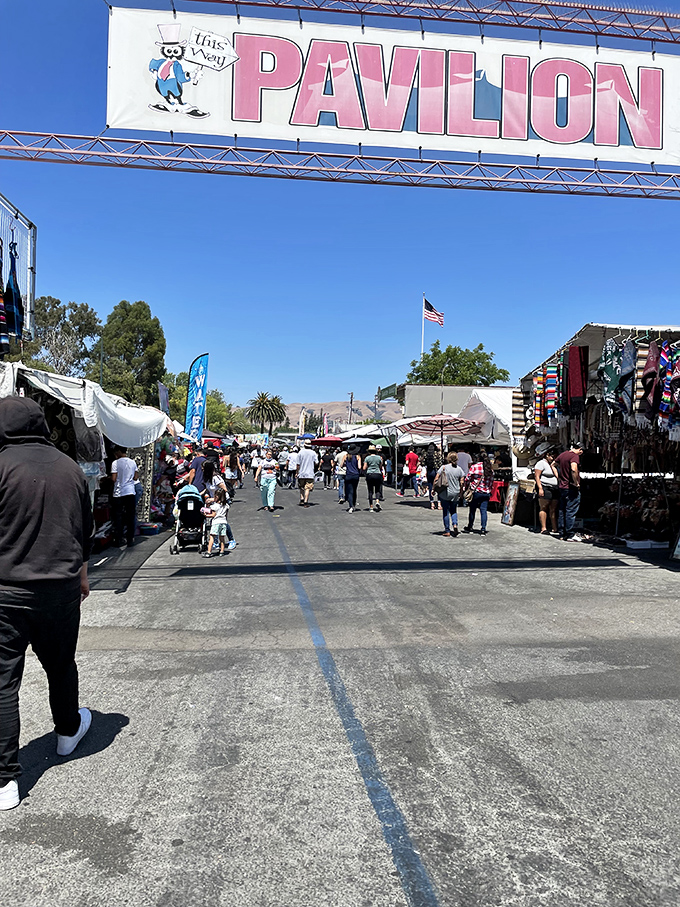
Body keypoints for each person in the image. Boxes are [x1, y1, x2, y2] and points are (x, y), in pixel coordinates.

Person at [0, 397, 93, 811]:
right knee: (60, 664)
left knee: (3, 681)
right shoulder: (70, 468)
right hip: (61, 589)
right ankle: (68, 731)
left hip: (6, 593)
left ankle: (5, 781)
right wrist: (83, 574)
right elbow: (81, 529)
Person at [554, 441, 584, 541]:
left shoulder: (563, 455)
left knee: (562, 510)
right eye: (581, 451)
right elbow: (574, 469)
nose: (581, 453)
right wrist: (576, 482)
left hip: (562, 487)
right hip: (570, 487)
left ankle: (562, 533)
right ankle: (570, 534)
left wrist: (559, 477)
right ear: (579, 449)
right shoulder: (574, 456)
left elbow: (553, 465)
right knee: (570, 510)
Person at [111, 446, 139, 548]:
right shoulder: (132, 462)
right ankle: (130, 539)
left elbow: (114, 478)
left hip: (119, 493)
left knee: (118, 516)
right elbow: (136, 477)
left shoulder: (115, 463)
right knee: (130, 516)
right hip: (130, 491)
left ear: (118, 452)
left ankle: (119, 539)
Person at [462, 451, 494, 535]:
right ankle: (483, 529)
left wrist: (466, 487)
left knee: (472, 510)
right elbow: (491, 481)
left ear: (478, 458)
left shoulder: (474, 467)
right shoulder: (489, 468)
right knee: (483, 511)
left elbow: (467, 478)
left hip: (476, 492)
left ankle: (470, 526)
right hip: (486, 492)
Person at [436, 452, 465, 536]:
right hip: (455, 492)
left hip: (445, 492)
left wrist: (433, 489)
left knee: (445, 511)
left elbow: (436, 479)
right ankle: (455, 524)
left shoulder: (443, 468)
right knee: (453, 510)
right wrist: (461, 492)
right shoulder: (459, 469)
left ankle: (447, 530)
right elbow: (462, 482)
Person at [202, 486, 236, 557]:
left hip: (216, 523)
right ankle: (222, 551)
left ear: (216, 497)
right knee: (222, 538)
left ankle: (208, 552)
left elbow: (213, 515)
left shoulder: (215, 506)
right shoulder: (226, 506)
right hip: (223, 522)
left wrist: (206, 515)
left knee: (212, 537)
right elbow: (226, 515)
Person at [534, 450, 559, 535]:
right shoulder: (541, 463)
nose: (553, 458)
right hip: (545, 486)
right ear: (547, 455)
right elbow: (537, 476)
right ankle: (543, 528)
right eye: (552, 456)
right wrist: (540, 488)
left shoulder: (554, 463)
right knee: (544, 507)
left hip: (555, 487)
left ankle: (554, 527)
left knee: (553, 508)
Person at [296, 440, 319, 507]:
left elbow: (298, 464)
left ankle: (302, 499)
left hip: (301, 473)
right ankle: (306, 501)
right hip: (310, 473)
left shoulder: (300, 452)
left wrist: (297, 472)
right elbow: (316, 462)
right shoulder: (313, 453)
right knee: (307, 488)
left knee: (301, 487)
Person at [364, 445, 383, 512]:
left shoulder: (367, 458)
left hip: (370, 474)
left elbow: (364, 467)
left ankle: (371, 506)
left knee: (370, 491)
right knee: (377, 489)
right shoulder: (379, 458)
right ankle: (377, 501)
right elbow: (381, 466)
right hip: (378, 474)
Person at [344, 444, 362, 513]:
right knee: (354, 490)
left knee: (350, 491)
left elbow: (342, 464)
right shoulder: (358, 457)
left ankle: (351, 505)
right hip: (355, 475)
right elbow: (359, 467)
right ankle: (353, 505)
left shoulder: (346, 456)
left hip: (348, 475)